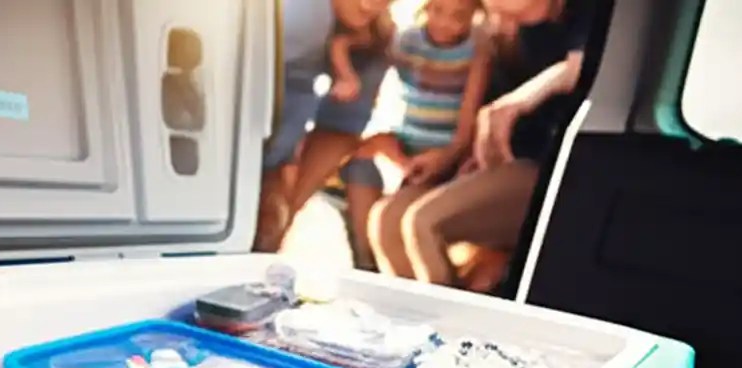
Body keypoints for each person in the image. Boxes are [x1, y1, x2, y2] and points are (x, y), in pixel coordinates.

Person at [367, 0, 592, 291]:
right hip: (487, 163)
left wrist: (516, 103)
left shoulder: (582, 15)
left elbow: (583, 65)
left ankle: (446, 316)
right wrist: (453, 155)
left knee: (423, 223)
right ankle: (414, 314)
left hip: (543, 164)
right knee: (387, 218)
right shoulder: (487, 34)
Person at [341, 0, 493, 262]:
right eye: (437, 11)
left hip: (444, 149)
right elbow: (375, 77)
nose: (444, 23)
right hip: (406, 140)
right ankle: (364, 255)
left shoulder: (476, 50)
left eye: (458, 17)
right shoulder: (407, 41)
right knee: (357, 159)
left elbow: (467, 120)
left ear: (474, 15)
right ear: (426, 7)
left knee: (401, 209)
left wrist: (448, 154)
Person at [254, 0, 394, 271]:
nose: (372, 4)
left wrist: (285, 213)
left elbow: (340, 129)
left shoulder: (375, 41)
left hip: (268, 166)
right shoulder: (304, 14)